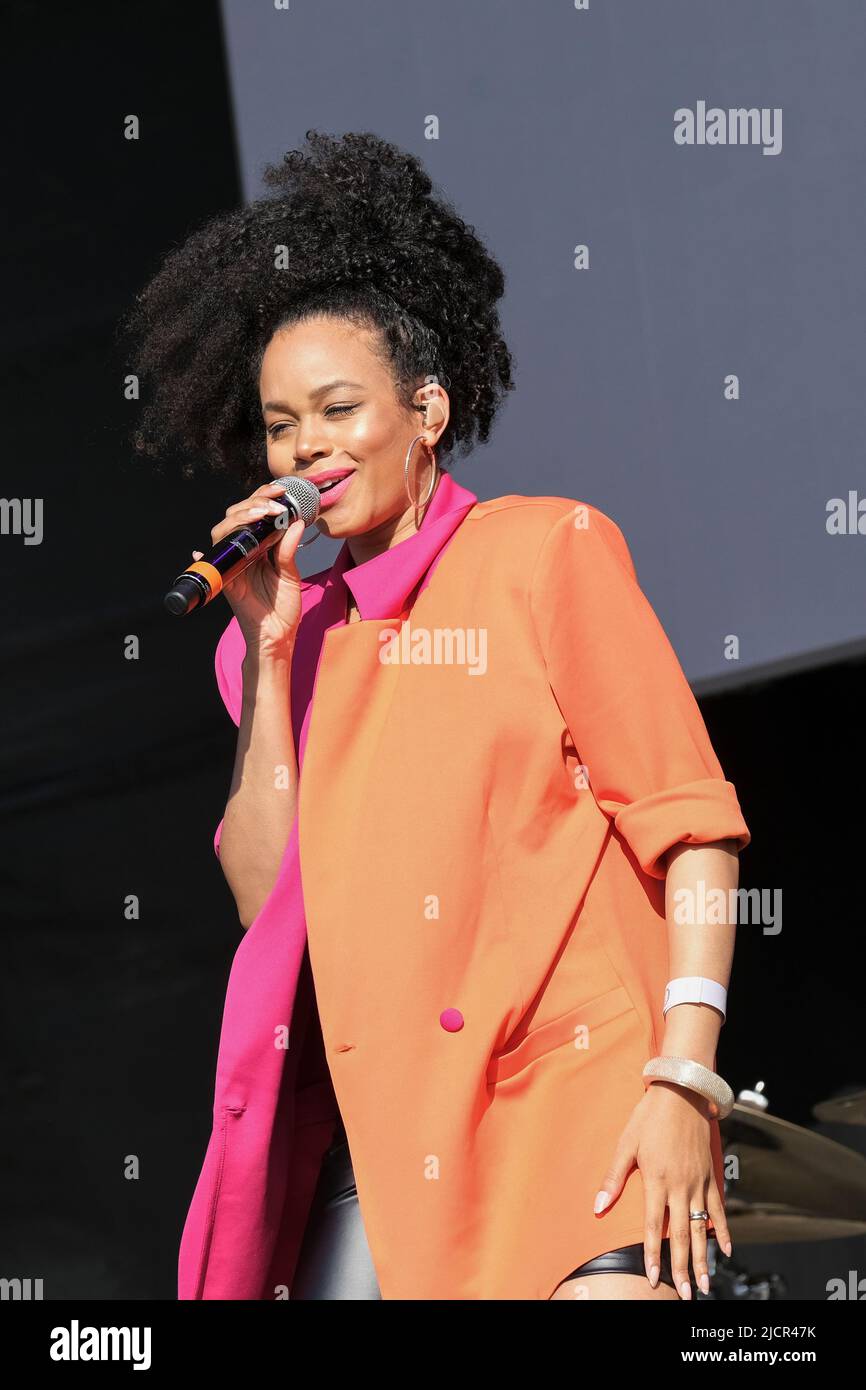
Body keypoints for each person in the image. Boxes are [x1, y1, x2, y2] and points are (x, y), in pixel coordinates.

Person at [125, 130, 750, 1301]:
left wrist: (682, 1077)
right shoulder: (279, 643)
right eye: (277, 423)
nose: (305, 446)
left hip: (582, 1102)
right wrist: (265, 655)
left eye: (335, 407)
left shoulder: (541, 551)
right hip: (396, 1142)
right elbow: (272, 907)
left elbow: (691, 826)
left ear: (425, 410)